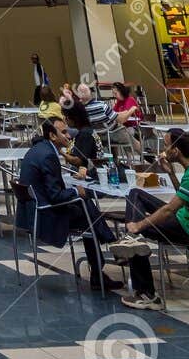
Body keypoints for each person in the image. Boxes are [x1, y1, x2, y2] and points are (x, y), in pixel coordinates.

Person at [15, 117, 118, 291]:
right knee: (86, 209)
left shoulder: (38, 149)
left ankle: (105, 256)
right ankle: (109, 252)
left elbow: (49, 184)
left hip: (30, 212)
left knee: (86, 206)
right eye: (63, 132)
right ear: (52, 136)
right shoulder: (49, 155)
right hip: (45, 215)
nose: (69, 135)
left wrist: (73, 187)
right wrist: (77, 191)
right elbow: (56, 196)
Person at [121, 129, 189, 309]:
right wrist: (171, 173)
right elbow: (186, 200)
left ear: (175, 150)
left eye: (166, 145)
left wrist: (138, 225)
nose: (163, 149)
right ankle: (129, 240)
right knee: (135, 194)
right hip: (184, 216)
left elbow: (169, 210)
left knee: (136, 233)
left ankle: (147, 295)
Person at [63, 100, 100, 176]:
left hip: (89, 174)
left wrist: (60, 152)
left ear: (73, 118)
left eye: (66, 117)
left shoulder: (84, 134)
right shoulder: (87, 130)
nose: (65, 120)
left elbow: (78, 161)